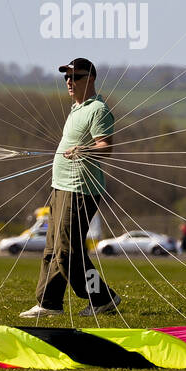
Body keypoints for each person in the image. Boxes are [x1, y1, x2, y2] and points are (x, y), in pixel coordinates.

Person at [20, 58, 121, 319]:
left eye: (75, 77)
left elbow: (106, 147)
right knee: (53, 248)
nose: (69, 82)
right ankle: (49, 302)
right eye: (66, 77)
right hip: (61, 187)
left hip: (80, 189)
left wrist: (83, 150)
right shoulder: (76, 109)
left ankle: (102, 297)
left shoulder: (98, 109)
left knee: (68, 251)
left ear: (90, 79)